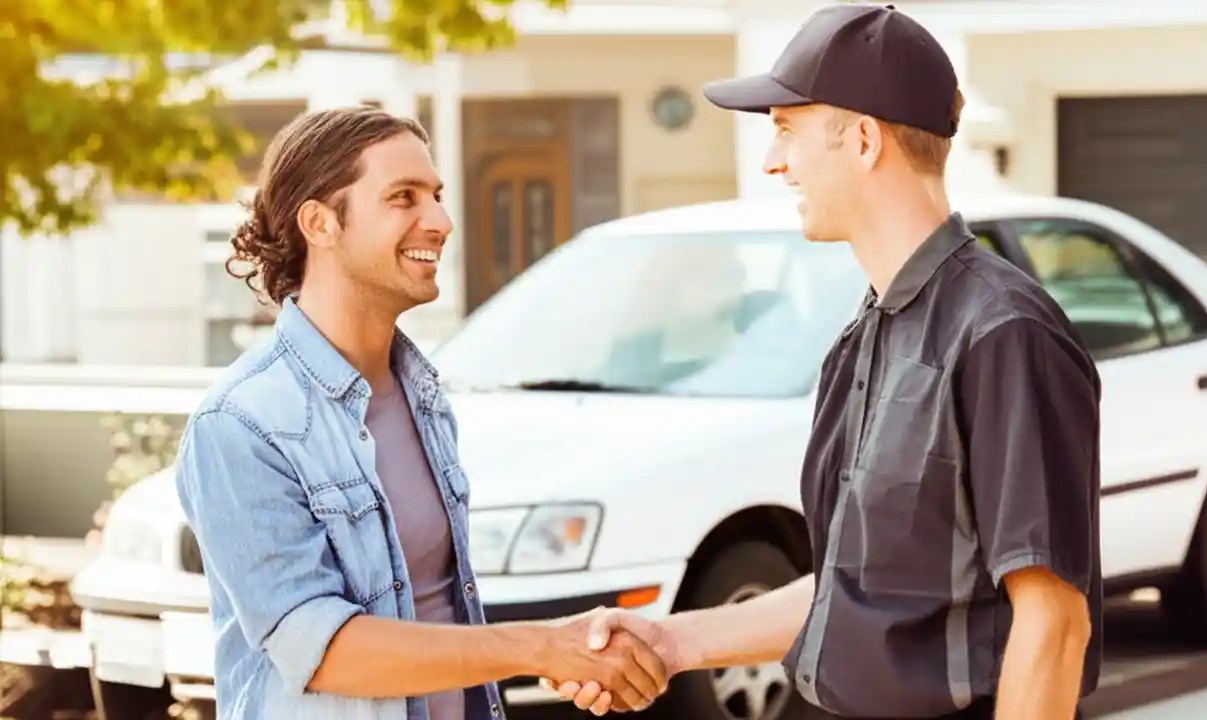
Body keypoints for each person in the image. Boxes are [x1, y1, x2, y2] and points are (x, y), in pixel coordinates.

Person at [547, 4, 1102, 719]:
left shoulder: (1003, 332)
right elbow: (854, 591)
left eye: (786, 132)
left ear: (864, 139)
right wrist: (668, 639)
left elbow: (1054, 624)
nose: (773, 162)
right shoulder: (865, 338)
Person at [174, 106, 667, 720]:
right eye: (403, 197)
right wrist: (544, 646)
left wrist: (571, 650)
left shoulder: (421, 392)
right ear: (319, 223)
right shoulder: (242, 423)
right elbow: (324, 649)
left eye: (435, 196)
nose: (439, 221)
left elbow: (440, 605)